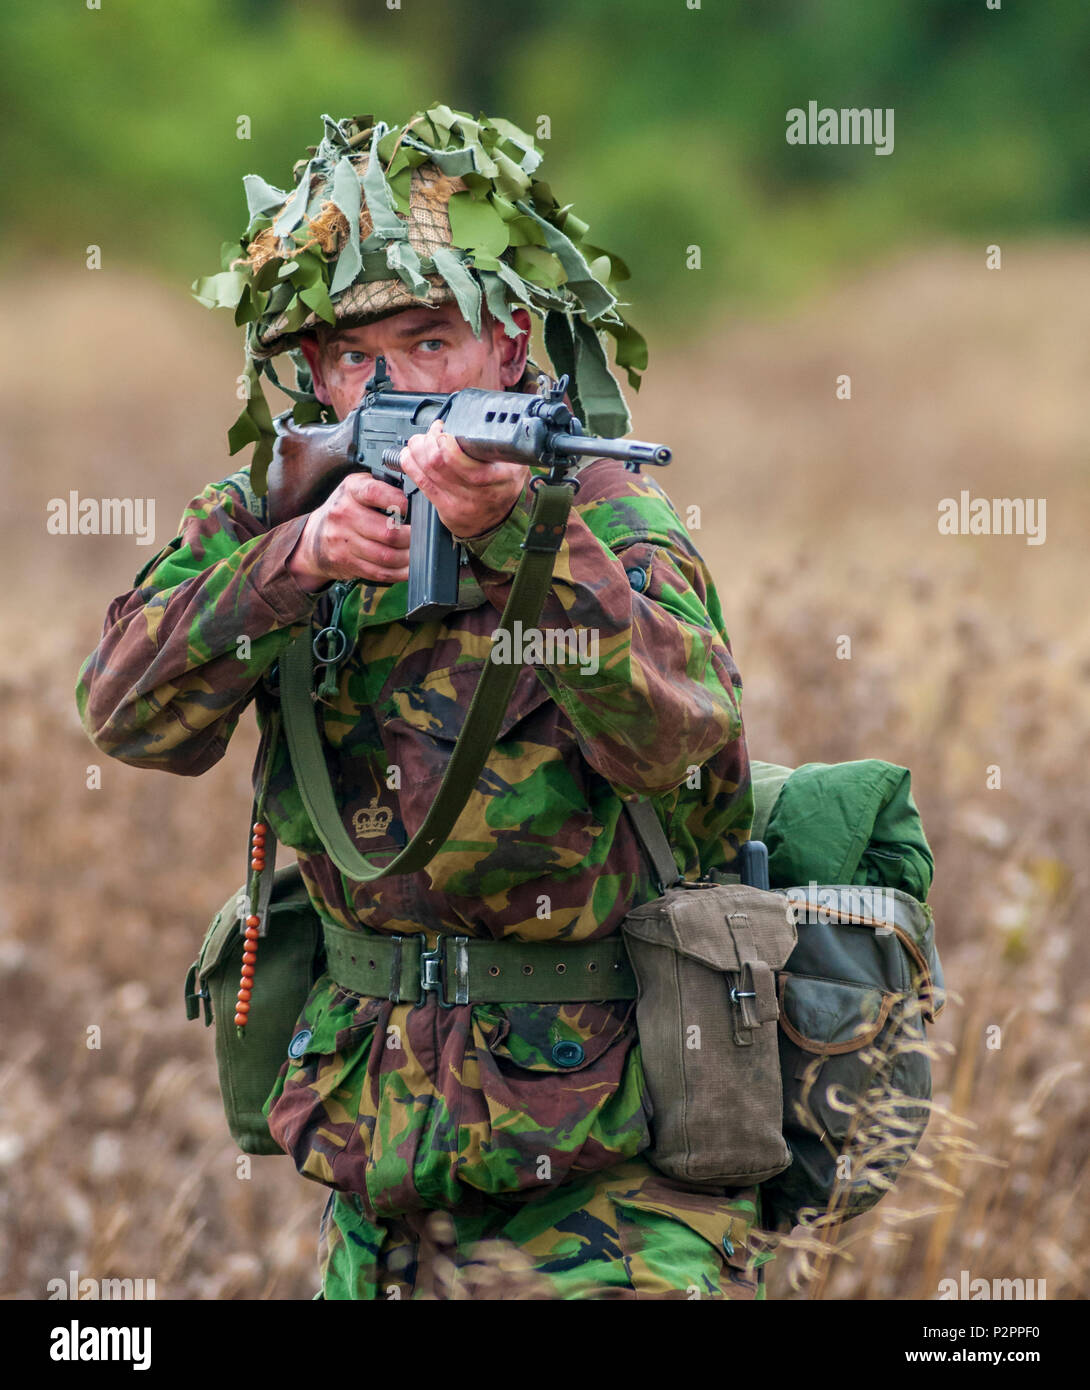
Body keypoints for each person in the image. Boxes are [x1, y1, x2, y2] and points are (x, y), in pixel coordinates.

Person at [75, 106, 766, 1300]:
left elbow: (676, 742)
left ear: (508, 347)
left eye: (428, 337)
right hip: (380, 1171)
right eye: (353, 356)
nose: (393, 381)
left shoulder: (607, 520)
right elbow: (124, 717)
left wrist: (518, 544)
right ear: (310, 374)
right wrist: (292, 566)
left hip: (613, 1178)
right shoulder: (280, 510)